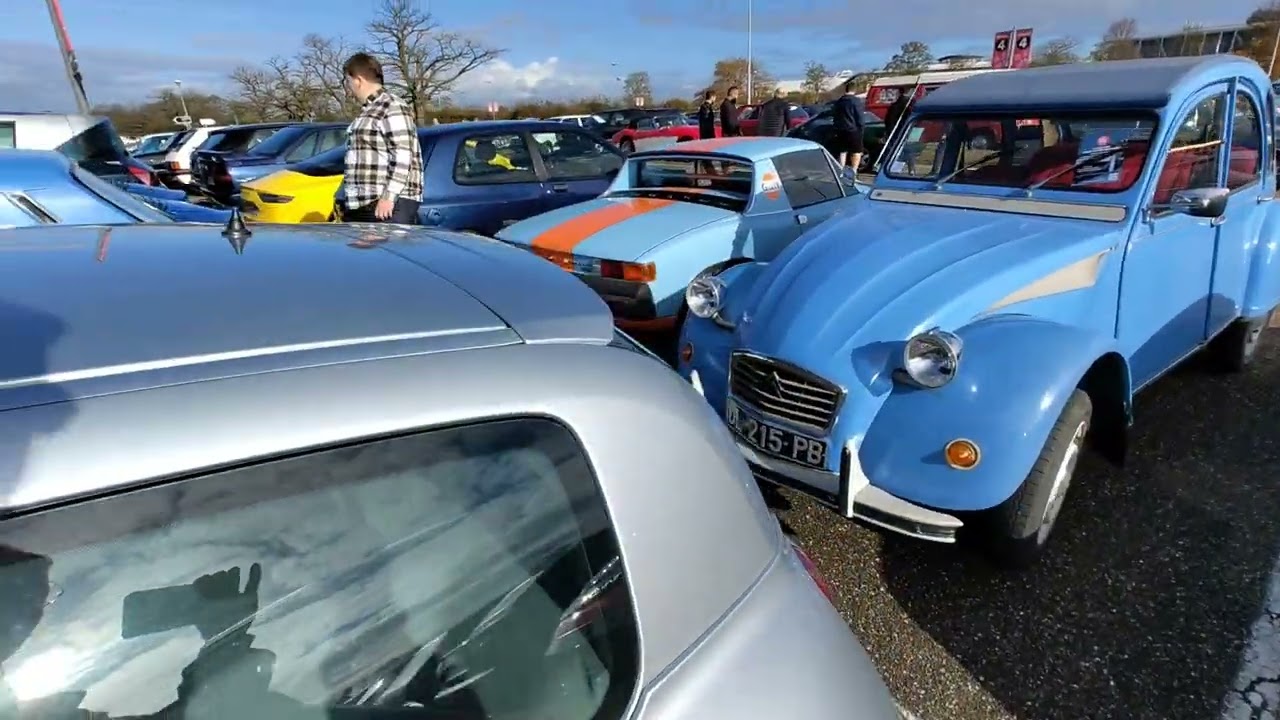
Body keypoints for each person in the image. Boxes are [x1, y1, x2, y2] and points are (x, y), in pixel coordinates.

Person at [341, 52, 424, 224]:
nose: (347, 88)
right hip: (365, 203)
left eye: (347, 81)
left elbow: (402, 155)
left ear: (358, 80)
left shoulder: (392, 106)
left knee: (388, 243)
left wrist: (389, 196)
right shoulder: (370, 110)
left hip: (388, 205)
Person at [832, 79, 868, 170]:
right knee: (856, 152)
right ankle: (854, 171)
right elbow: (860, 117)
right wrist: (861, 130)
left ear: (846, 89)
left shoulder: (839, 102)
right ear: (854, 90)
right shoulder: (856, 101)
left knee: (842, 151)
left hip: (840, 130)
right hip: (853, 130)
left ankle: (841, 170)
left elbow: (835, 116)